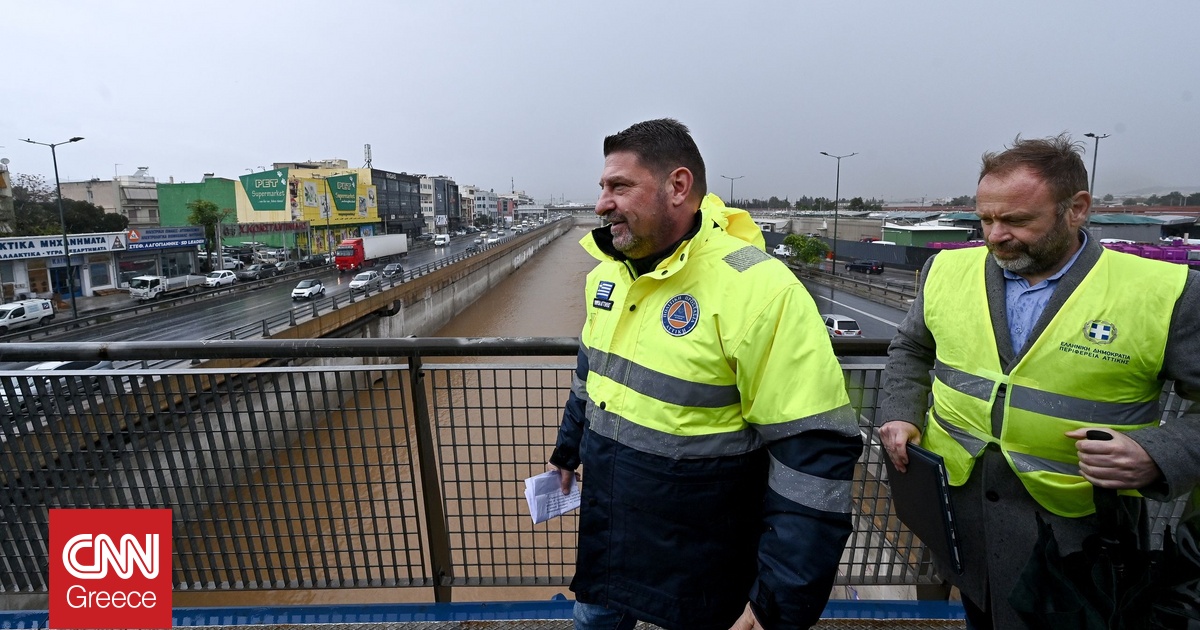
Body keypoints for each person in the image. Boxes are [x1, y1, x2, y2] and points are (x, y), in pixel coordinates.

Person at [547, 118, 863, 630]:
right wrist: (567, 450)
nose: (603, 202)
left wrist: (775, 604)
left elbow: (812, 456)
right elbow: (591, 377)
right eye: (603, 187)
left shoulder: (759, 291)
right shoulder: (607, 274)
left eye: (620, 186)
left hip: (702, 566)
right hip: (610, 539)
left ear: (678, 186)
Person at [878, 134, 1200, 628]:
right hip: (964, 519)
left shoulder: (1165, 293)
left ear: (1077, 209)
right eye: (985, 218)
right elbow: (912, 348)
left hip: (1080, 534)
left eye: (1018, 220)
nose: (994, 236)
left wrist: (1158, 454)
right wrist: (900, 411)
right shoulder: (945, 269)